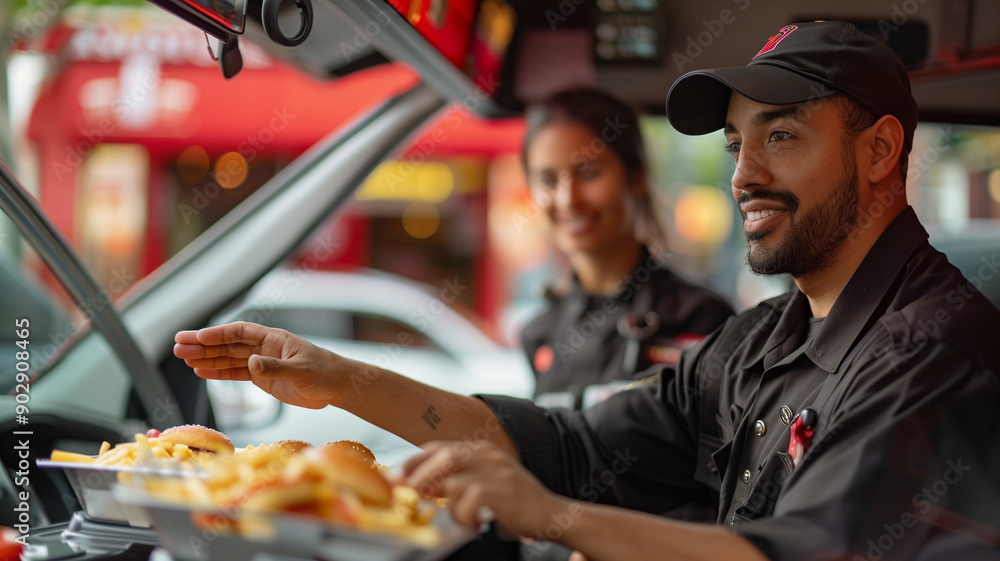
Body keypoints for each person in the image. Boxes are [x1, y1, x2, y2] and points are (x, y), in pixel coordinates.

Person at [174, 21, 1000, 560]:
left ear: (881, 151)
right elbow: (571, 445)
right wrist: (337, 380)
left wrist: (554, 517)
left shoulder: (934, 348)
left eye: (781, 136)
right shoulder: (760, 341)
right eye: (735, 145)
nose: (745, 174)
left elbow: (800, 552)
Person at [518, 88, 733, 410]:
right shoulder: (539, 333)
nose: (567, 200)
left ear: (636, 178)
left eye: (588, 174)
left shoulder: (701, 317)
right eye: (548, 180)